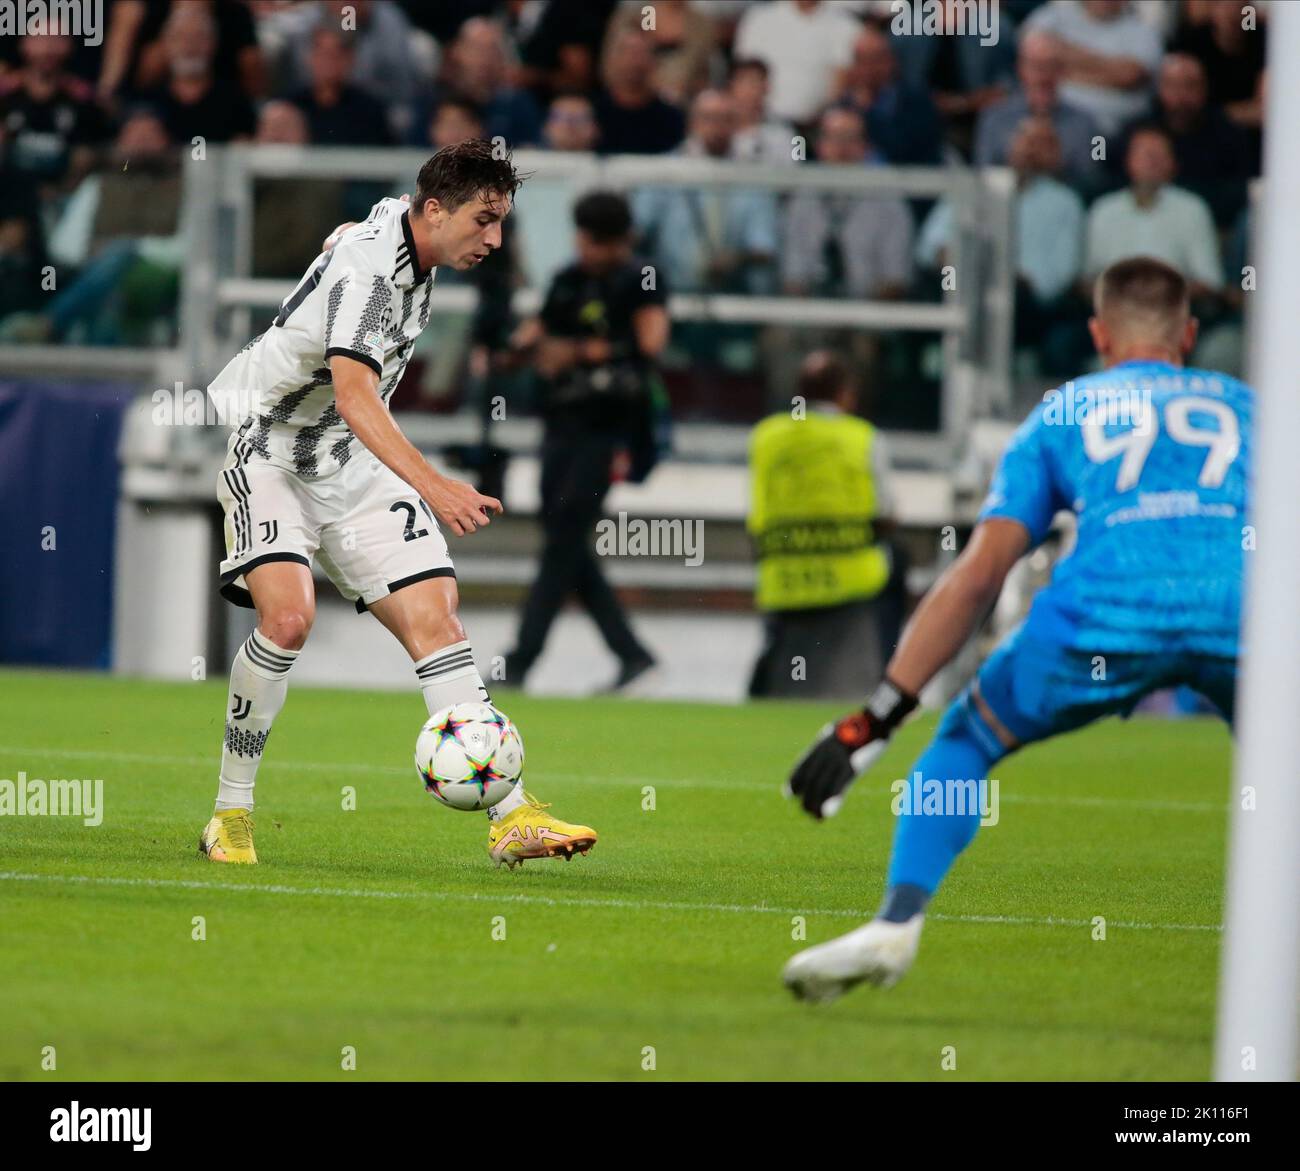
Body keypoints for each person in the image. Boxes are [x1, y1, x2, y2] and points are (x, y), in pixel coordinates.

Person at [781, 256, 1249, 999]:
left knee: (965, 740)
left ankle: (897, 923)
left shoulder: (1064, 412)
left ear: (1099, 334)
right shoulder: (1252, 407)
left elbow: (980, 573)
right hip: (1244, 610)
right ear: (1189, 334)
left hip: (1105, 609)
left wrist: (875, 720)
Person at [199, 140, 597, 870]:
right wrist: (435, 484)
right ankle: (230, 811)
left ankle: (512, 816)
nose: (495, 240)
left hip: (349, 466)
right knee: (287, 619)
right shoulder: (370, 278)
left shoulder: (401, 230)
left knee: (436, 616)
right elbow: (354, 397)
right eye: (485, 220)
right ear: (437, 210)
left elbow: (355, 231)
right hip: (273, 452)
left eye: (502, 221)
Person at [504, 191, 669, 692]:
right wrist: (517, 350)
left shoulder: (642, 279)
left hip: (610, 427)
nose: (588, 250)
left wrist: (574, 351)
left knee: (564, 536)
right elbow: (536, 333)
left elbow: (650, 345)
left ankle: (521, 660)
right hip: (561, 422)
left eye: (597, 241)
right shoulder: (567, 279)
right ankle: (632, 652)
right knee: (563, 534)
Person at [747, 351, 896, 699]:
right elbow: (885, 511)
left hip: (781, 578)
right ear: (846, 394)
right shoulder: (863, 437)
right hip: (849, 578)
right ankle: (887, 681)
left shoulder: (766, 437)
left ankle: (769, 681)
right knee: (895, 563)